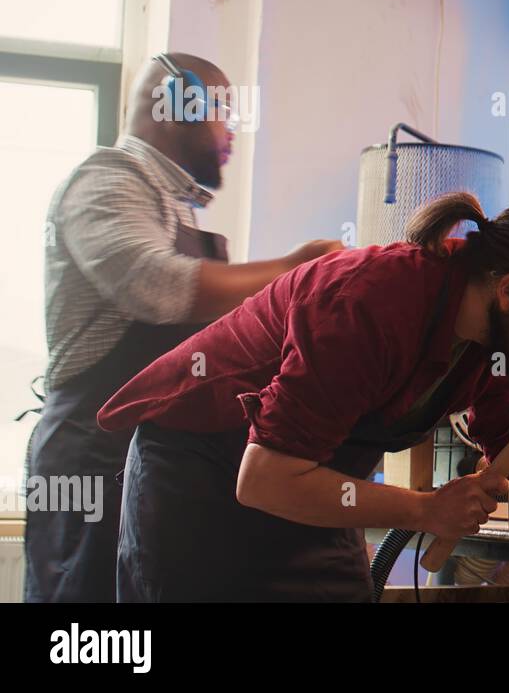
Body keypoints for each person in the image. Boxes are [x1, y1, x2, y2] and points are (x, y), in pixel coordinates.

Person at [98, 191, 509, 602]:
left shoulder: (495, 340)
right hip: (204, 485)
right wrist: (428, 509)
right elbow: (263, 477)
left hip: (313, 486)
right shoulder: (368, 306)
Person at [25, 53, 341, 602]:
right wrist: (291, 269)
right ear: (175, 106)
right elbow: (156, 285)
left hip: (137, 458)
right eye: (223, 113)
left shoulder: (171, 207)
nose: (233, 133)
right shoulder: (105, 181)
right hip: (87, 460)